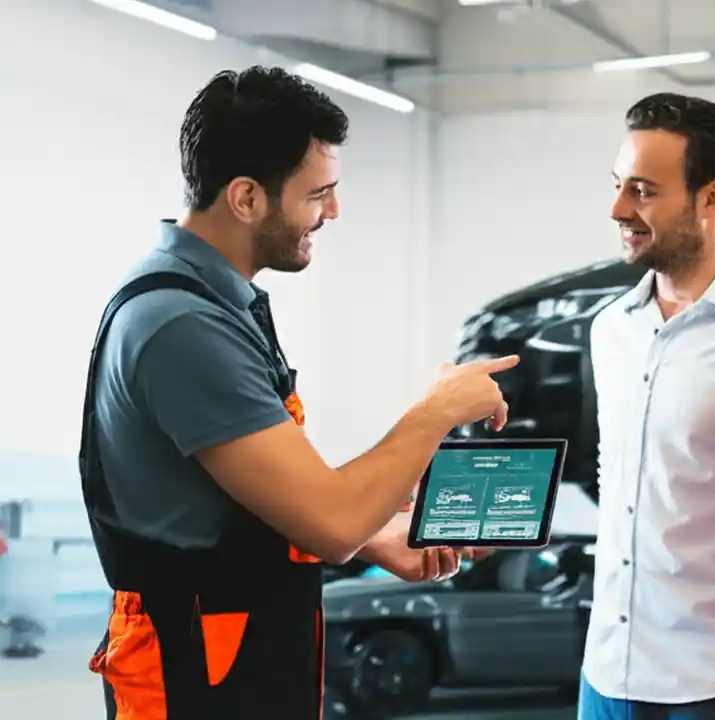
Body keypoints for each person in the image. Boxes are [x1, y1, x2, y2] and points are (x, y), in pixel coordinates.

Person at [79, 65, 515, 719]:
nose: (332, 211)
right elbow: (331, 521)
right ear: (248, 198)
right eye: (319, 193)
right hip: (195, 680)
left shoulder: (215, 304)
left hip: (238, 665)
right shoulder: (182, 325)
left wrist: (379, 533)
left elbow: (257, 502)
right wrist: (437, 412)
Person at [580, 93, 715, 720]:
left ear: (711, 197)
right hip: (607, 671)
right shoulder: (609, 328)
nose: (618, 209)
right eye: (618, 186)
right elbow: (618, 479)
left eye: (642, 191)